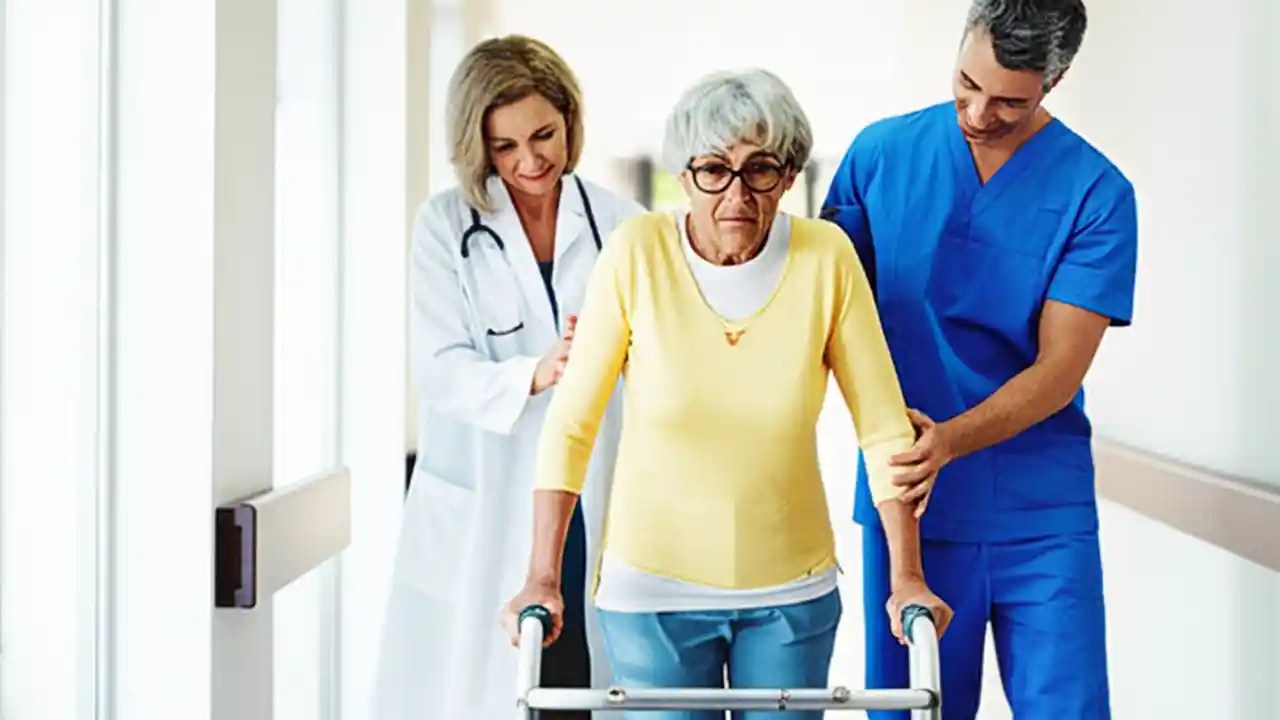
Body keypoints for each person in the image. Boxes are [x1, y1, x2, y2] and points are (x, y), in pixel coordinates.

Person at [500, 69, 953, 720]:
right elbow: (572, 424)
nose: (736, 193)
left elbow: (883, 430)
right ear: (684, 176)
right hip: (651, 594)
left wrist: (907, 576)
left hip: (791, 593)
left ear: (788, 175)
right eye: (714, 169)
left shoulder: (826, 257)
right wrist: (543, 576)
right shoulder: (636, 254)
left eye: (760, 169)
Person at [822, 2, 1138, 718]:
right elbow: (822, 310)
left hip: (1041, 514)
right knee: (912, 707)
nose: (977, 112)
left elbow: (1059, 371)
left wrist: (949, 442)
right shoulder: (880, 157)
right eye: (966, 83)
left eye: (1008, 102)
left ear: (1054, 81)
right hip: (910, 510)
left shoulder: (1096, 194)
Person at [373, 34, 644, 720]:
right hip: (488, 489)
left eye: (544, 135)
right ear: (478, 146)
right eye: (505, 146)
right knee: (484, 684)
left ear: (569, 119)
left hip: (590, 487)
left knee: (582, 673)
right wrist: (536, 372)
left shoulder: (623, 224)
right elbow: (439, 370)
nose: (530, 161)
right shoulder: (444, 226)